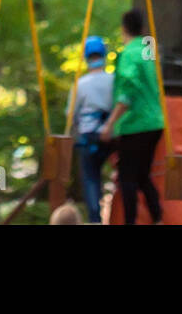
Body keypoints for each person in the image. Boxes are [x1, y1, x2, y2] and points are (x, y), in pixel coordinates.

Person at [99, 10, 164, 225]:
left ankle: (130, 222)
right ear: (142, 29)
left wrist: (110, 124)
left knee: (127, 177)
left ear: (123, 28)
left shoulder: (128, 54)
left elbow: (127, 93)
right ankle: (157, 218)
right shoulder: (147, 53)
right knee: (143, 175)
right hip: (155, 122)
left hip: (136, 124)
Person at [71, 35, 114, 223]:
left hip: (88, 137)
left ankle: (95, 218)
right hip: (111, 134)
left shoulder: (81, 84)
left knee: (91, 179)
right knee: (122, 173)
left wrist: (75, 135)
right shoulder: (114, 80)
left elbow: (72, 114)